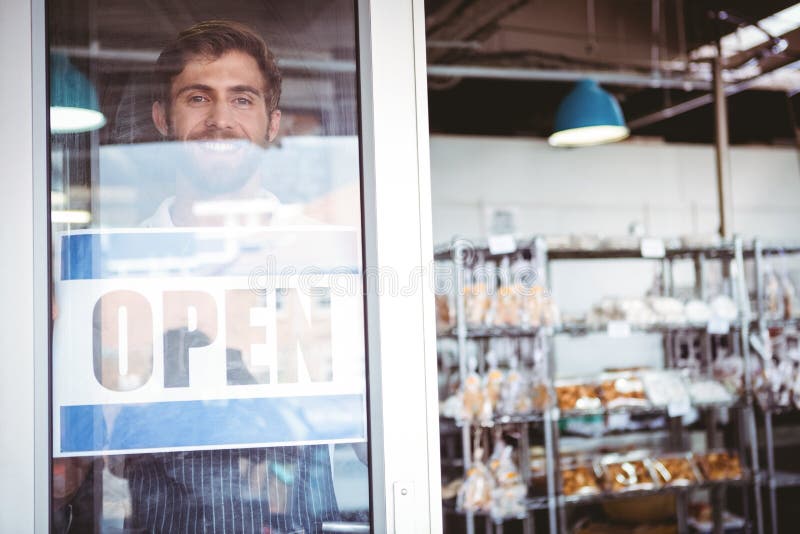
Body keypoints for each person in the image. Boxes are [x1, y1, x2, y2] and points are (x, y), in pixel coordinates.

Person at [114, 20, 341, 534]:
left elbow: (366, 430)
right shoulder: (120, 266)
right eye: (198, 98)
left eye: (242, 100)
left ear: (272, 123)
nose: (220, 120)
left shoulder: (322, 254)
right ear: (161, 118)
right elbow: (98, 450)